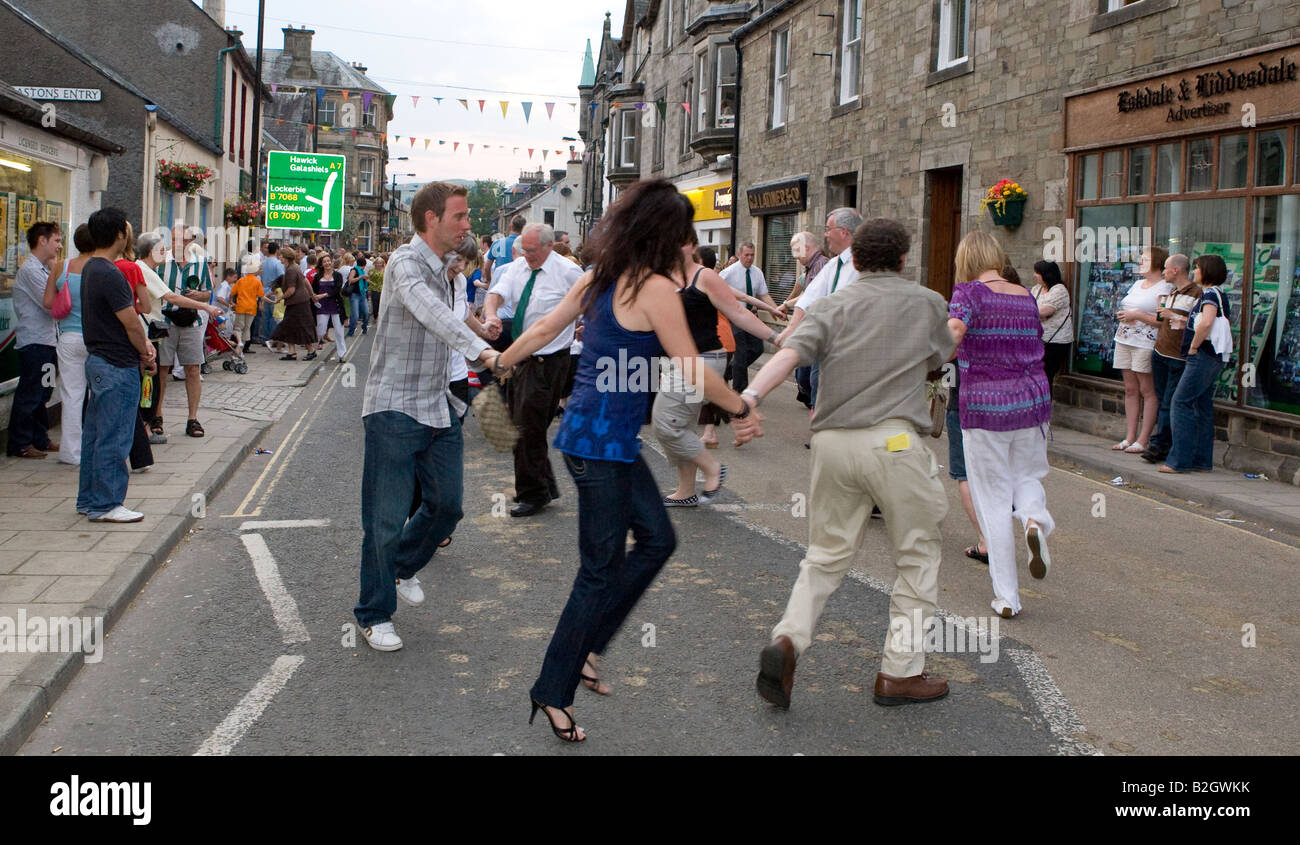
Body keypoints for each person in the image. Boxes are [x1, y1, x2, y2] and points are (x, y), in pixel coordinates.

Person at [495, 179, 760, 742]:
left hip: (606, 443)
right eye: (683, 230)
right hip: (597, 447)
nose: (689, 241)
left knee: (659, 540)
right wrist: (740, 405)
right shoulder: (655, 288)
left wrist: (501, 359)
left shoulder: (602, 276)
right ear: (664, 233)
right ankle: (552, 688)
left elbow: (545, 328)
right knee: (597, 573)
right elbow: (690, 367)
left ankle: (588, 646)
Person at [748, 218, 954, 709]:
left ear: (853, 261)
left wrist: (749, 396)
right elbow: (939, 356)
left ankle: (788, 640)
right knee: (918, 555)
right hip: (895, 442)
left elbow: (789, 354)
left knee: (825, 555)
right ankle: (900, 673)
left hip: (833, 442)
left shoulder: (831, 305)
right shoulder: (927, 303)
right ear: (903, 259)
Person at [353, 182, 502, 652]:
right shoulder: (405, 263)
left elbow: (453, 316)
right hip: (395, 407)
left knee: (448, 506)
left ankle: (399, 567)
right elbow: (433, 314)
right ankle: (373, 614)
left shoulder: (448, 270)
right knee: (384, 519)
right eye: (459, 216)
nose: (467, 224)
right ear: (431, 220)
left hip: (439, 405)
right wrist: (484, 353)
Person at [947, 231, 1054, 620]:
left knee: (991, 497)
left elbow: (955, 333)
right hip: (1032, 400)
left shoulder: (969, 293)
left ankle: (1007, 597)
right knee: (1027, 477)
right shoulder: (1025, 295)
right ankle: (1034, 521)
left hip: (985, 404)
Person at [655, 233, 775, 505]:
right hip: (675, 361)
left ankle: (712, 468)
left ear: (693, 247)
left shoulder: (704, 277)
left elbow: (739, 311)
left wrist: (776, 338)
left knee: (665, 422)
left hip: (703, 360)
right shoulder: (664, 277)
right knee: (681, 424)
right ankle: (686, 492)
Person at [482, 223, 584, 517]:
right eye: (522, 250)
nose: (525, 255)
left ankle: (533, 493)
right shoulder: (517, 268)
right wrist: (491, 315)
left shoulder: (567, 272)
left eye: (531, 250)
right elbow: (495, 293)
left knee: (527, 426)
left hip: (550, 360)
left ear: (549, 246)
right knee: (524, 423)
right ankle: (544, 485)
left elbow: (586, 305)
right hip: (521, 356)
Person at [76, 207, 155, 523]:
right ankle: (106, 504)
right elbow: (131, 323)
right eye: (128, 229)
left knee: (95, 437)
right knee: (113, 437)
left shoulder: (90, 268)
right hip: (116, 365)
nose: (130, 234)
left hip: (98, 361)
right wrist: (146, 349)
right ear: (120, 234)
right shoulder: (110, 273)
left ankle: (89, 500)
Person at [775, 208, 864, 409]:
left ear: (843, 232)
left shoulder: (862, 264)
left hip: (850, 350)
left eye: (828, 229)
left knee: (821, 387)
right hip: (827, 345)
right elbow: (809, 297)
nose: (825, 234)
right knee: (815, 384)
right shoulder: (834, 264)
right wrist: (791, 329)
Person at [1160, 254, 1231, 474]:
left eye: (1198, 268)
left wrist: (1193, 346)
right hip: (1210, 357)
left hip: (1202, 356)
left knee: (1180, 403)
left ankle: (1179, 461)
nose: (1194, 272)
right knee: (1202, 406)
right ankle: (1201, 460)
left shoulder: (1209, 293)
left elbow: (1208, 321)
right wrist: (1183, 322)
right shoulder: (1217, 293)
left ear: (1207, 271)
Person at [8, 221, 62, 459]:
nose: (59, 246)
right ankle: (20, 443)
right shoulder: (30, 270)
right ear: (42, 240)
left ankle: (40, 437)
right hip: (35, 343)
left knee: (44, 392)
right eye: (56, 241)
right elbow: (52, 302)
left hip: (49, 341)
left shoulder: (43, 268)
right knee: (30, 392)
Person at [1141, 254, 1201, 465]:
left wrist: (1172, 315)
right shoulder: (1171, 291)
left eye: (1166, 268)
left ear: (1176, 270)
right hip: (1161, 352)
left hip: (1178, 355)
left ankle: (1159, 446)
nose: (1163, 271)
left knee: (1169, 402)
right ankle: (1161, 443)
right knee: (1161, 400)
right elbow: (1162, 321)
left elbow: (1197, 324)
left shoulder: (1196, 294)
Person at [1111, 247, 1172, 454]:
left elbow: (1162, 320)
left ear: (1156, 263)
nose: (1140, 262)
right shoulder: (1137, 284)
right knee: (1130, 388)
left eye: (1145, 259)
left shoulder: (1165, 287)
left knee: (1147, 389)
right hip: (1124, 337)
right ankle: (1129, 436)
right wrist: (1126, 315)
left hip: (1145, 341)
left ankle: (1144, 438)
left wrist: (1137, 315)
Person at [157, 230, 214, 438]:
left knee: (192, 369)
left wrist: (201, 295)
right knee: (161, 369)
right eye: (174, 239)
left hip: (191, 321)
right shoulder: (161, 261)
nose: (177, 243)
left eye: (182, 240)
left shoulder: (200, 263)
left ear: (190, 242)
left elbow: (208, 292)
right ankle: (157, 415)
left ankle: (192, 418)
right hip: (165, 320)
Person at [45, 224, 93, 465]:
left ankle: (70, 452)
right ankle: (95, 447)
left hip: (67, 337)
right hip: (95, 338)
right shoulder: (101, 269)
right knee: (98, 394)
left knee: (72, 394)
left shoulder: (61, 267)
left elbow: (48, 302)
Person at [718, 242, 780, 392]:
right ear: (739, 255)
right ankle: (740, 390)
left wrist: (775, 310)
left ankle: (729, 371)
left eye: (752, 255)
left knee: (757, 348)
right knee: (741, 352)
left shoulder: (757, 272)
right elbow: (716, 289)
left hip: (750, 317)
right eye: (747, 255)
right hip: (733, 316)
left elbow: (763, 294)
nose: (750, 258)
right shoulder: (728, 272)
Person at [780, 232, 828, 408]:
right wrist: (787, 304)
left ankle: (818, 414)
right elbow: (807, 295)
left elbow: (812, 298)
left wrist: (788, 309)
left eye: (795, 250)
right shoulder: (812, 267)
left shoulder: (821, 265)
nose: (794, 255)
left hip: (819, 333)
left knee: (813, 380)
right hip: (810, 332)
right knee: (805, 378)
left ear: (806, 247)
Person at [1031, 260, 1072, 390]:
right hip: (1039, 340)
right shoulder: (1036, 289)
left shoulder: (1059, 290)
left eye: (1037, 272)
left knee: (1046, 376)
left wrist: (1026, 311)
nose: (1034, 275)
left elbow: (1044, 312)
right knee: (1037, 376)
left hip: (1055, 342)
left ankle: (1045, 407)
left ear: (1046, 274)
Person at [270, 248, 317, 360]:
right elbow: (305, 281)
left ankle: (311, 350)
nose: (279, 257)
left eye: (281, 256)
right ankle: (292, 352)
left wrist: (280, 298)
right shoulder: (295, 267)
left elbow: (291, 290)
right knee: (290, 326)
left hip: (298, 303)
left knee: (302, 327)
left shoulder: (291, 270)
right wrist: (311, 294)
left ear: (286, 257)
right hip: (297, 302)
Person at [231, 256, 271, 363]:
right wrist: (272, 301)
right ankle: (240, 350)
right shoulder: (257, 282)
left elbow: (232, 293)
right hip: (252, 308)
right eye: (260, 269)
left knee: (238, 328)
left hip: (241, 307)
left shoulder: (241, 280)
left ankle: (239, 343)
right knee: (247, 329)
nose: (261, 270)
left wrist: (231, 302)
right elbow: (262, 296)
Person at [312, 253, 348, 361]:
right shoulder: (317, 276)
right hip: (322, 306)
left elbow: (337, 290)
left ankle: (341, 355)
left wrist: (323, 295)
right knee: (321, 330)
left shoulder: (337, 276)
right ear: (321, 264)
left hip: (336, 305)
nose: (327, 263)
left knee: (339, 331)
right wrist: (314, 296)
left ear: (332, 262)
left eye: (329, 261)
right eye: (324, 262)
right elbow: (314, 290)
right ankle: (314, 348)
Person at [254, 241, 285, 347]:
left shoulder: (263, 263)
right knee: (274, 317)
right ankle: (273, 339)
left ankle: (265, 338)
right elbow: (282, 279)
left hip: (263, 292)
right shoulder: (278, 264)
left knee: (265, 317)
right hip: (274, 293)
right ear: (277, 250)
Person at [346, 254, 369, 337]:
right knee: (355, 316)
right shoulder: (354, 270)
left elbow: (365, 281)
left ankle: (364, 327)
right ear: (364, 264)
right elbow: (350, 280)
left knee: (366, 313)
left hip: (362, 294)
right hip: (354, 295)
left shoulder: (362, 271)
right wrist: (360, 277)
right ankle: (351, 331)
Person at [367, 255, 384, 326]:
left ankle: (380, 317)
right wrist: (372, 283)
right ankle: (375, 316)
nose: (379, 264)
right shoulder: (372, 270)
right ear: (375, 263)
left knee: (382, 304)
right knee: (375, 304)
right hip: (374, 289)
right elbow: (367, 279)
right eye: (377, 263)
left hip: (382, 289)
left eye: (380, 263)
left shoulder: (385, 270)